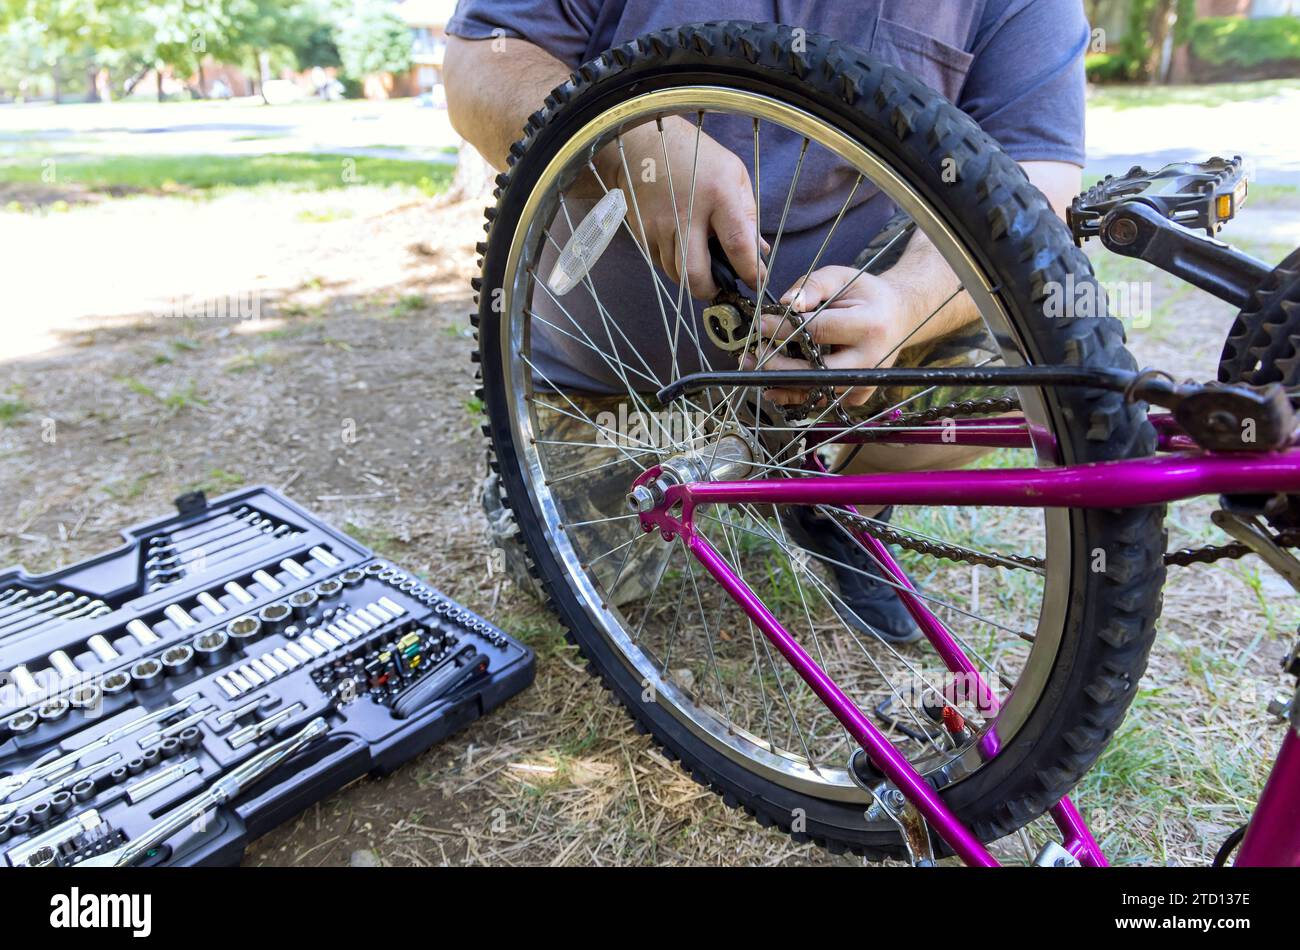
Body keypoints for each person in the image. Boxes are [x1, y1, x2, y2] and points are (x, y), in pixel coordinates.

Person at [445, 1, 1091, 642]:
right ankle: (539, 454)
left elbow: (1036, 187)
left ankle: (837, 495)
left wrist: (905, 302)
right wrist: (628, 141)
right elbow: (481, 61)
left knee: (1036, 349)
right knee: (563, 571)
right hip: (607, 383)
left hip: (850, 362)